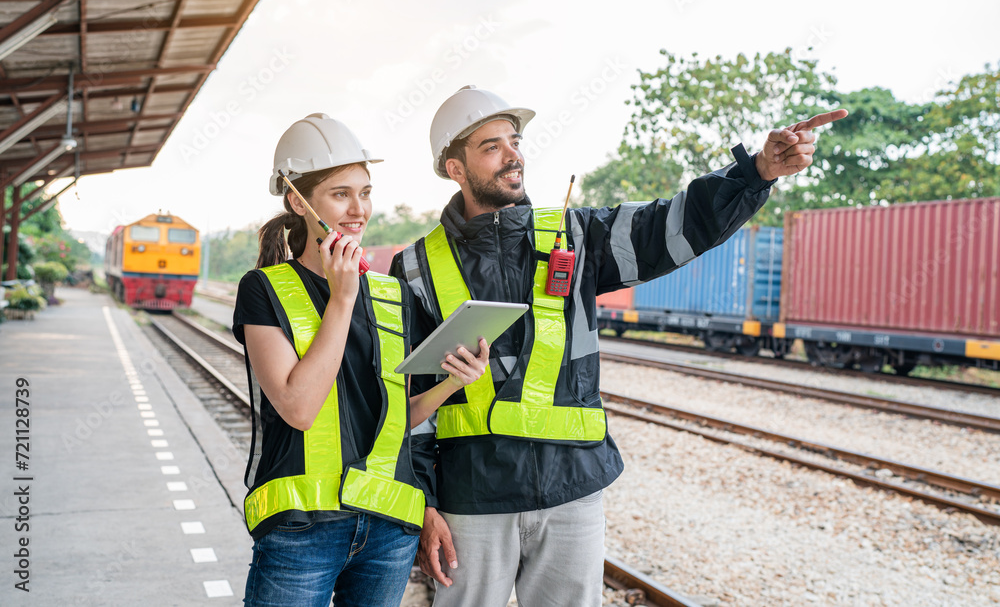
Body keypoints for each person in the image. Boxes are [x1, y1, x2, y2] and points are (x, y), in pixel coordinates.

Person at [390, 86, 847, 606]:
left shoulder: (576, 237)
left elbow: (673, 225)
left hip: (573, 489)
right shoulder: (414, 267)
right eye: (492, 146)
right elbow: (406, 406)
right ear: (455, 167)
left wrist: (756, 172)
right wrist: (424, 505)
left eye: (514, 141)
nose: (514, 155)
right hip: (470, 496)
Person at [233, 113, 489, 607]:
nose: (358, 209)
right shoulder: (264, 289)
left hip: (387, 530)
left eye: (365, 192)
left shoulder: (392, 295)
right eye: (340, 193)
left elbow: (396, 416)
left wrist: (449, 385)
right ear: (297, 201)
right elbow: (299, 407)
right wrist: (342, 297)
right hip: (301, 531)